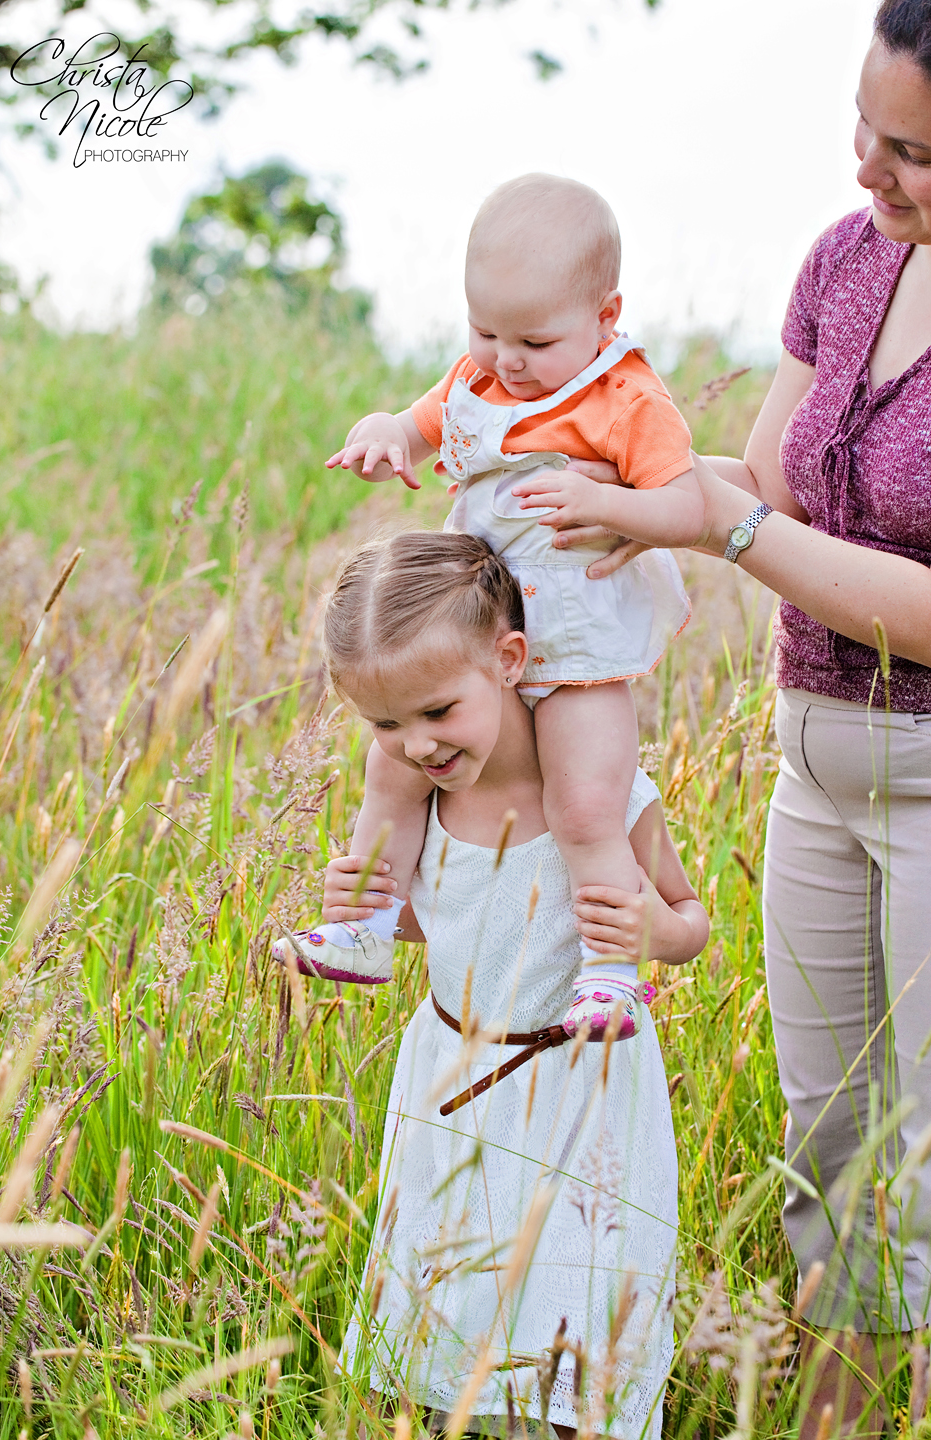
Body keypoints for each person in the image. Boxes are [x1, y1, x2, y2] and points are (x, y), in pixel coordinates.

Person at [511, 3, 931, 1432]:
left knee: (924, 1168)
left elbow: (762, 530)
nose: (873, 170)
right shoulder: (848, 258)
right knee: (836, 1161)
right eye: (865, 128)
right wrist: (587, 471)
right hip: (815, 770)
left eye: (916, 152)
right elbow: (765, 476)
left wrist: (726, 532)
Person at [275, 530, 708, 1437]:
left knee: (575, 1326)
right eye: (385, 725)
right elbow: (447, 919)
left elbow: (688, 922)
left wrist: (651, 931)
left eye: (437, 711)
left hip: (582, 1095)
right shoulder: (415, 796)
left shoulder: (599, 795)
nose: (415, 745)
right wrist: (364, 912)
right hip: (452, 1085)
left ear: (510, 661)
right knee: (448, 1321)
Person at [288, 174, 703, 1046]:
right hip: (476, 629)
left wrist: (615, 504)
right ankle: (366, 926)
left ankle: (610, 976)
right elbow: (421, 422)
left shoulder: (625, 398)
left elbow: (688, 504)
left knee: (587, 806)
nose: (505, 359)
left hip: (580, 644)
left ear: (605, 314)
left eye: (534, 338)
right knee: (393, 769)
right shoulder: (481, 380)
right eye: (484, 331)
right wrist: (387, 436)